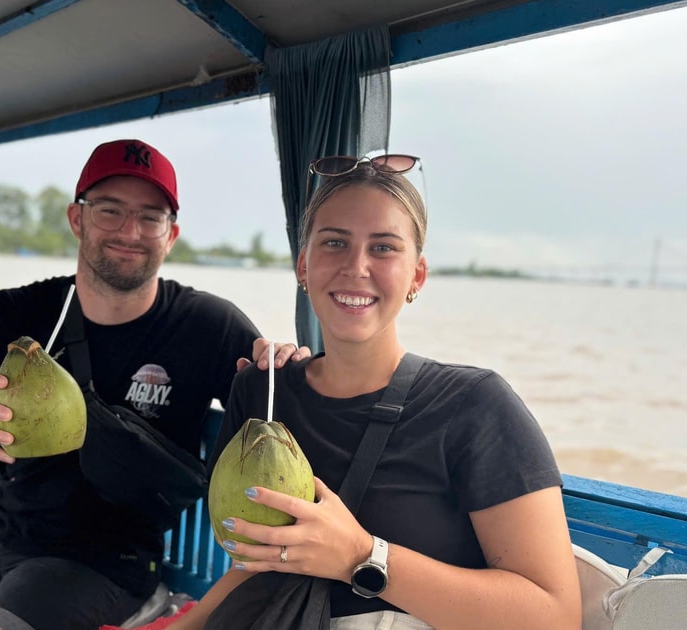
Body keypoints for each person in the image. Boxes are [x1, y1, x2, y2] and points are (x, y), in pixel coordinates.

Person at [0, 139, 306, 630]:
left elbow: (282, 419)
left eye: (149, 217)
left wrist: (290, 368)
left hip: (106, 559)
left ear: (171, 234)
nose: (130, 232)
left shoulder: (208, 325)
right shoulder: (10, 315)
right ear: (77, 219)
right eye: (110, 210)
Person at [172, 156, 581, 629]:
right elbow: (258, 567)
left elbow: (554, 616)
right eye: (334, 242)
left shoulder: (475, 406)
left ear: (417, 276)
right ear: (304, 266)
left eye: (383, 248)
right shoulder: (262, 395)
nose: (356, 267)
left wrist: (361, 557)